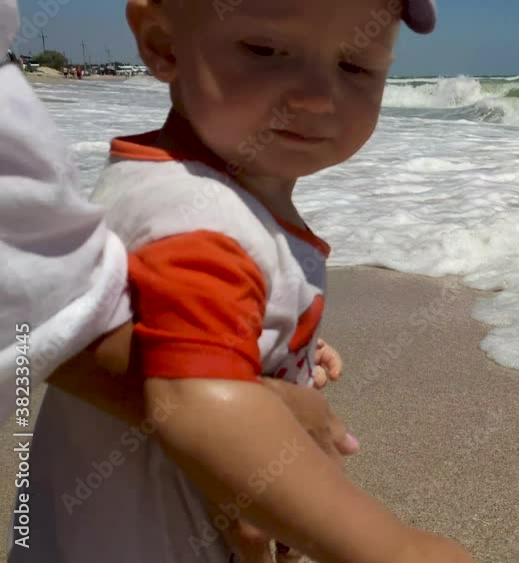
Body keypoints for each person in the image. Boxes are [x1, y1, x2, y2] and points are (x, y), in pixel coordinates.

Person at [11, 0, 472, 561]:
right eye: (265, 50)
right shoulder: (204, 222)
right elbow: (194, 397)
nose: (316, 96)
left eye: (354, 66)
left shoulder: (172, 184)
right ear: (163, 43)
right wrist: (390, 546)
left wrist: (274, 343)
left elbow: (169, 316)